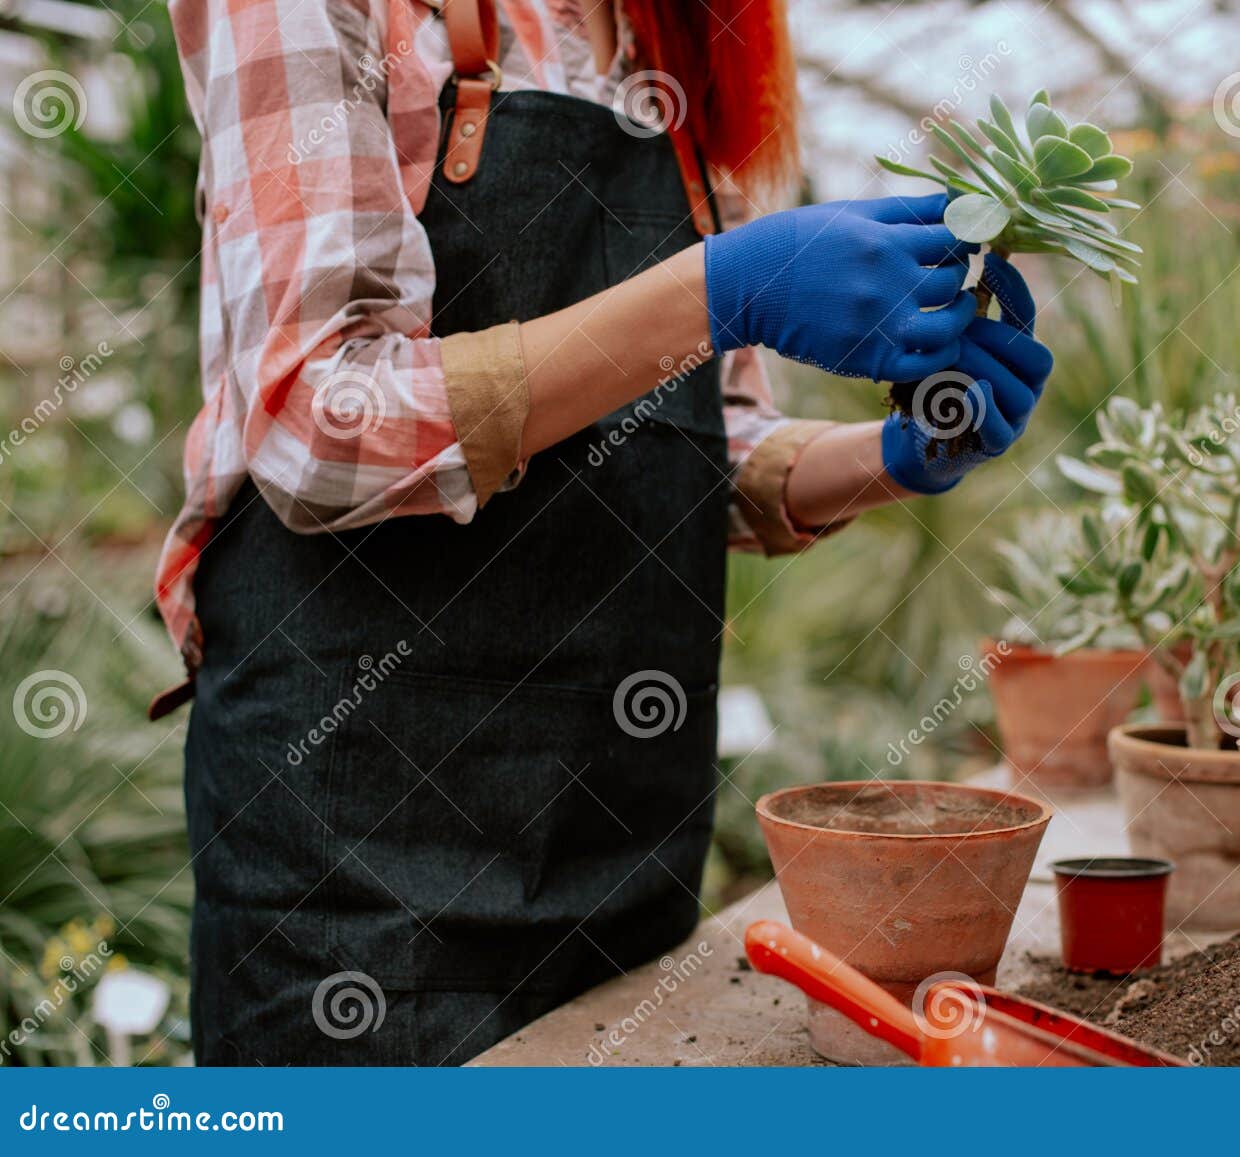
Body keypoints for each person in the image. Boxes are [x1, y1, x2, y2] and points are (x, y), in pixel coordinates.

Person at [153, 0, 1054, 1063]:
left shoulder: (659, 35)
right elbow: (319, 425)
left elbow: (686, 443)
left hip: (620, 841)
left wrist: (893, 457)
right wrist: (722, 288)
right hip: (361, 850)